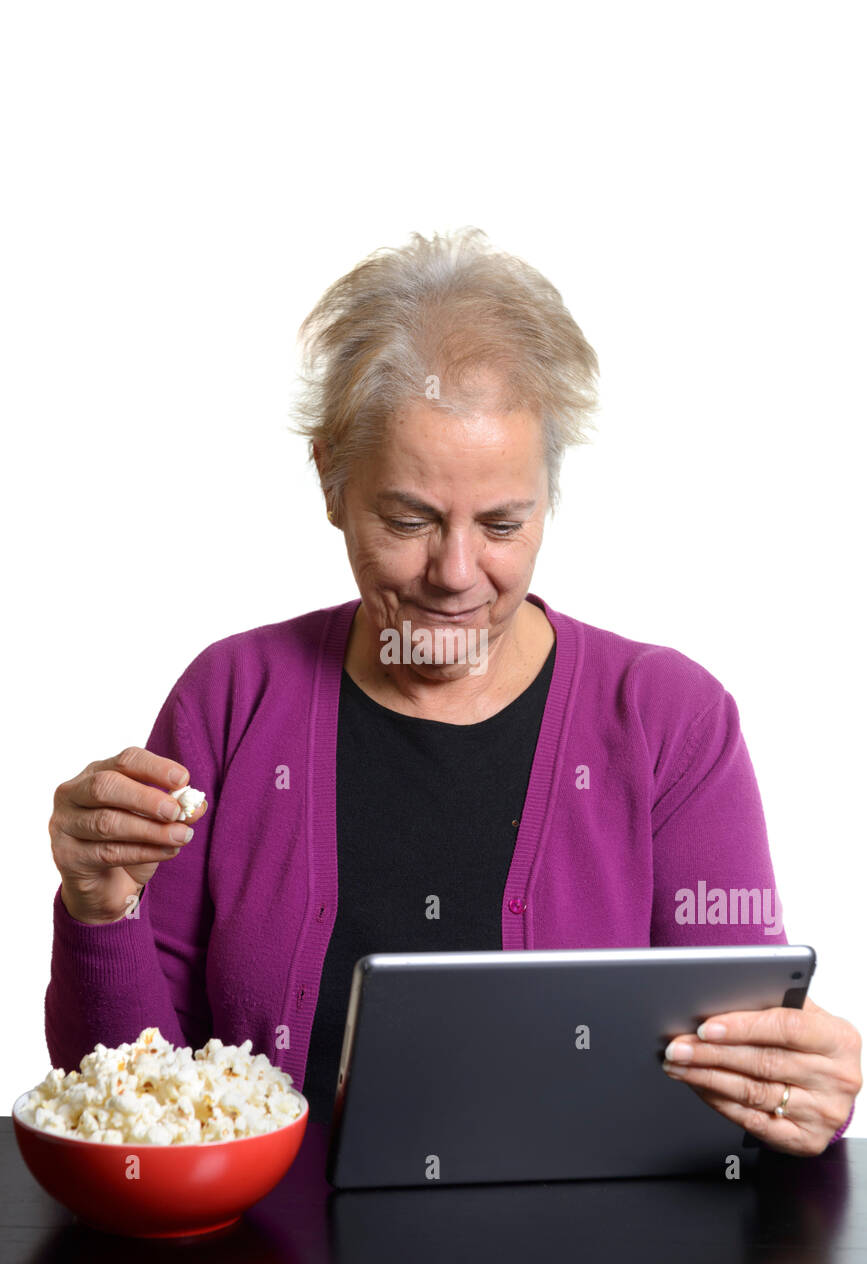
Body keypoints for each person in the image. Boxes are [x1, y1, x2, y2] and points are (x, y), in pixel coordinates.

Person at [46, 228, 861, 1146]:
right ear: (330, 480)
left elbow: (740, 1089)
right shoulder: (231, 699)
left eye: (504, 524)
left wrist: (793, 1096)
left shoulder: (670, 721)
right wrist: (99, 908)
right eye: (409, 518)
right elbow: (118, 1109)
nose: (456, 572)